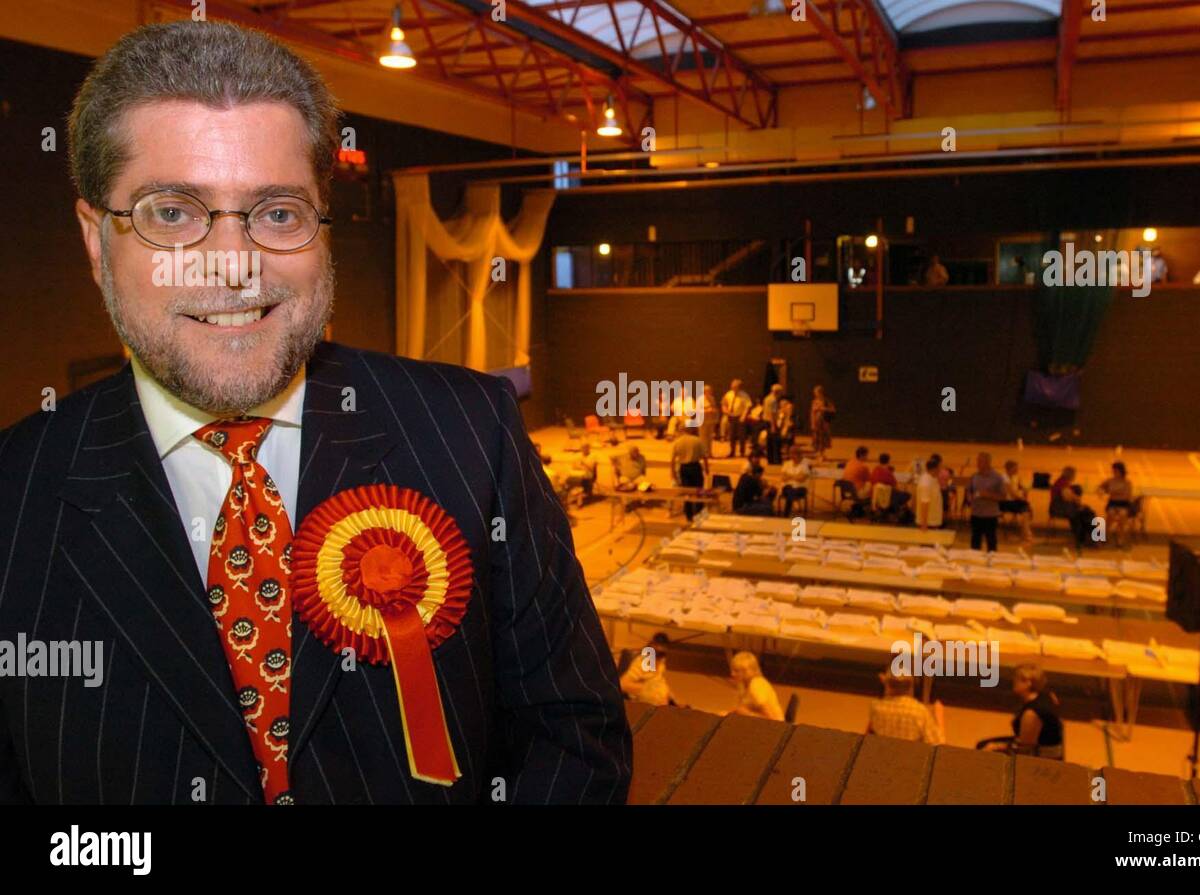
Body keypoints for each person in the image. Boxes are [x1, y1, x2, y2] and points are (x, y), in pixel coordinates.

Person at [0, 20, 630, 806]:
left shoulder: (474, 436)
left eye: (276, 212)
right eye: (172, 213)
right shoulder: (14, 501)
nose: (235, 265)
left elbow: (575, 736)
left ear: (321, 228)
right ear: (97, 241)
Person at [978, 665, 1063, 758]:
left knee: (984, 749)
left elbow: (1025, 749)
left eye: (1017, 679)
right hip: (1042, 746)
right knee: (983, 744)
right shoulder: (1048, 696)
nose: (1014, 682)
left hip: (1043, 755)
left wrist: (997, 746)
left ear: (1028, 683)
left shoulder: (1031, 714)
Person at [866, 670, 943, 744]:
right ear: (911, 687)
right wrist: (939, 716)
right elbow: (938, 744)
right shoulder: (920, 711)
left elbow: (868, 736)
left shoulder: (876, 708)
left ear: (887, 686)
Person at [620, 634, 677, 707]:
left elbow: (660, 682)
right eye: (658, 653)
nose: (661, 658)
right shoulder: (642, 663)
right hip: (645, 705)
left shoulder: (660, 663)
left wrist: (673, 699)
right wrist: (648, 690)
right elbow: (623, 684)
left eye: (662, 654)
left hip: (661, 706)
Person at [967, 452, 1006, 552]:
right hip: (976, 515)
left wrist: (988, 495)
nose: (978, 464)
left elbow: (1003, 496)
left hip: (990, 516)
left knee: (991, 543)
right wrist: (969, 497)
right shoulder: (974, 476)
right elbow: (969, 491)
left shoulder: (997, 477)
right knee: (975, 543)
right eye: (977, 461)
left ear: (988, 462)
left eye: (980, 461)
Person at [1050, 466, 1097, 549]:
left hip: (1064, 507)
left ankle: (1088, 538)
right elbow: (1066, 496)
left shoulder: (1064, 482)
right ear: (1070, 475)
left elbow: (1069, 496)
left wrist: (1077, 501)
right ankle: (1087, 539)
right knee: (1084, 514)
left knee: (1087, 512)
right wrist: (1076, 499)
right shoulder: (1062, 482)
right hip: (1060, 508)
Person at [729, 652, 784, 721]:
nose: (732, 674)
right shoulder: (743, 684)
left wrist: (747, 714)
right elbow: (743, 709)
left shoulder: (756, 687)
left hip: (773, 727)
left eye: (736, 671)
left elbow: (773, 720)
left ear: (746, 672)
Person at [670, 426, 709, 522]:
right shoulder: (697, 440)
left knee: (686, 492)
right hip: (695, 467)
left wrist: (673, 473)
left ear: (682, 431)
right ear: (691, 431)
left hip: (684, 468)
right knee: (699, 490)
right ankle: (699, 513)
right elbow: (704, 456)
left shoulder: (677, 442)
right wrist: (706, 469)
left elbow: (672, 460)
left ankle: (689, 515)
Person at [1097, 461, 1135, 548]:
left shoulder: (1127, 482)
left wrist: (1114, 493)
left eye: (1116, 471)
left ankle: (1120, 539)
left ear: (1121, 471)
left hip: (1123, 504)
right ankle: (1104, 536)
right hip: (1112, 503)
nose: (1114, 473)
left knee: (1122, 516)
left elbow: (1127, 495)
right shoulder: (1110, 481)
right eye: (1113, 471)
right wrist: (1101, 491)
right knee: (1110, 516)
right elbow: (1100, 487)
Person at [1000, 459, 1035, 544]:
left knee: (1026, 509)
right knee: (1026, 508)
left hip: (1014, 501)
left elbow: (1020, 487)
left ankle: (1025, 534)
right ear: (1009, 469)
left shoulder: (1016, 477)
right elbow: (1012, 493)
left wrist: (1026, 489)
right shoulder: (1004, 478)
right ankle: (1026, 535)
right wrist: (1021, 498)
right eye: (1015, 468)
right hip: (1005, 502)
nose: (1017, 470)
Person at [721, 378, 752, 458]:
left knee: (741, 435)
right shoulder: (728, 394)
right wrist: (725, 410)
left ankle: (742, 452)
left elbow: (748, 406)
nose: (733, 388)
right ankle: (732, 451)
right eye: (732, 386)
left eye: (735, 387)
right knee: (731, 435)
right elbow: (724, 403)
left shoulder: (744, 395)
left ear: (739, 387)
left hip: (740, 416)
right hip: (731, 416)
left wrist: (744, 416)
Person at [779, 445, 812, 517]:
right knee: (789, 489)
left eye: (794, 453)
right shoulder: (787, 464)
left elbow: (801, 479)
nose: (792, 455)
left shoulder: (804, 465)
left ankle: (786, 514)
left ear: (799, 454)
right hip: (787, 487)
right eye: (791, 453)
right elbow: (783, 478)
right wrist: (795, 476)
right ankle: (794, 503)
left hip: (800, 488)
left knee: (791, 492)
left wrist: (789, 475)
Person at [915, 456, 945, 532]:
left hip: (933, 522)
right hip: (928, 524)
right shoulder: (926, 482)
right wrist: (924, 524)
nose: (940, 471)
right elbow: (924, 503)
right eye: (939, 468)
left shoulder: (932, 478)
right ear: (935, 469)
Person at [565, 442, 598, 507]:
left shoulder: (593, 456)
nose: (584, 450)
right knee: (569, 479)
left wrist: (583, 463)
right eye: (582, 448)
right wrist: (578, 466)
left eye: (585, 448)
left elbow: (591, 468)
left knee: (579, 481)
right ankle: (574, 497)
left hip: (589, 474)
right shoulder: (578, 456)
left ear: (588, 448)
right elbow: (574, 466)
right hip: (579, 473)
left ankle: (579, 500)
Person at [761, 384, 785, 465]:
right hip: (772, 422)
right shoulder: (773, 400)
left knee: (769, 442)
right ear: (777, 392)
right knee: (776, 442)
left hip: (766, 421)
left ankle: (770, 459)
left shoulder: (766, 398)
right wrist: (773, 426)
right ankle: (777, 460)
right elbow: (772, 414)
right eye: (780, 392)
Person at [809, 385, 835, 460]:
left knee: (823, 438)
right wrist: (812, 423)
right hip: (817, 422)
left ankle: (822, 454)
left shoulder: (826, 401)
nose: (815, 394)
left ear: (820, 392)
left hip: (824, 422)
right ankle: (820, 453)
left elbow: (833, 409)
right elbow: (812, 413)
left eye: (816, 392)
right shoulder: (814, 401)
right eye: (815, 392)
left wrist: (823, 408)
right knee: (817, 438)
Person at [699, 384, 720, 458]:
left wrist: (713, 411)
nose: (709, 392)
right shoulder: (700, 399)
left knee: (710, 438)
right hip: (702, 421)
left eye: (710, 391)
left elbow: (714, 408)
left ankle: (709, 453)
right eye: (707, 391)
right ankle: (703, 453)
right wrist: (706, 410)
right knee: (703, 438)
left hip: (710, 421)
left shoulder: (712, 399)